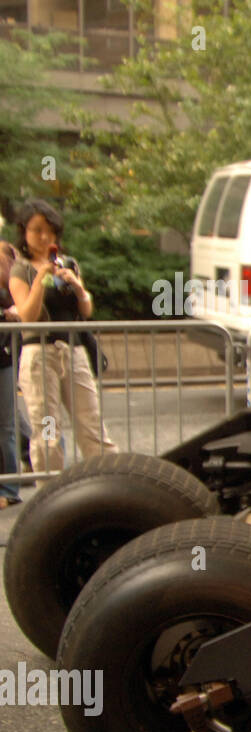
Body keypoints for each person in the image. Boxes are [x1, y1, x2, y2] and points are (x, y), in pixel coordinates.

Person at [6, 198, 118, 477]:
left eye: (50, 231)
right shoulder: (22, 269)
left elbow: (86, 310)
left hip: (74, 350)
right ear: (24, 232)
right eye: (37, 230)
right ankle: (50, 492)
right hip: (40, 353)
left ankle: (110, 480)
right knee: (48, 431)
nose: (45, 237)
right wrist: (41, 278)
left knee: (91, 423)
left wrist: (78, 288)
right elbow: (28, 315)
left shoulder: (69, 264)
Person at [0, 241, 24, 505]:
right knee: (12, 416)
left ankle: (9, 490)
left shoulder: (13, 289)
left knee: (6, 424)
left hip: (5, 360)